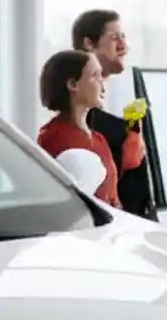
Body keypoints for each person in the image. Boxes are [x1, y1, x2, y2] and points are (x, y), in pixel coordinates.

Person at [72, 9, 156, 220]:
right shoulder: (79, 114)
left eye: (124, 37)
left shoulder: (122, 98)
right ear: (89, 44)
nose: (124, 46)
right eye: (115, 37)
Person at [37, 50, 121, 209]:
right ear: (72, 85)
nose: (101, 84)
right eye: (94, 76)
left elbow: (113, 198)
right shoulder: (53, 138)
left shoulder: (99, 139)